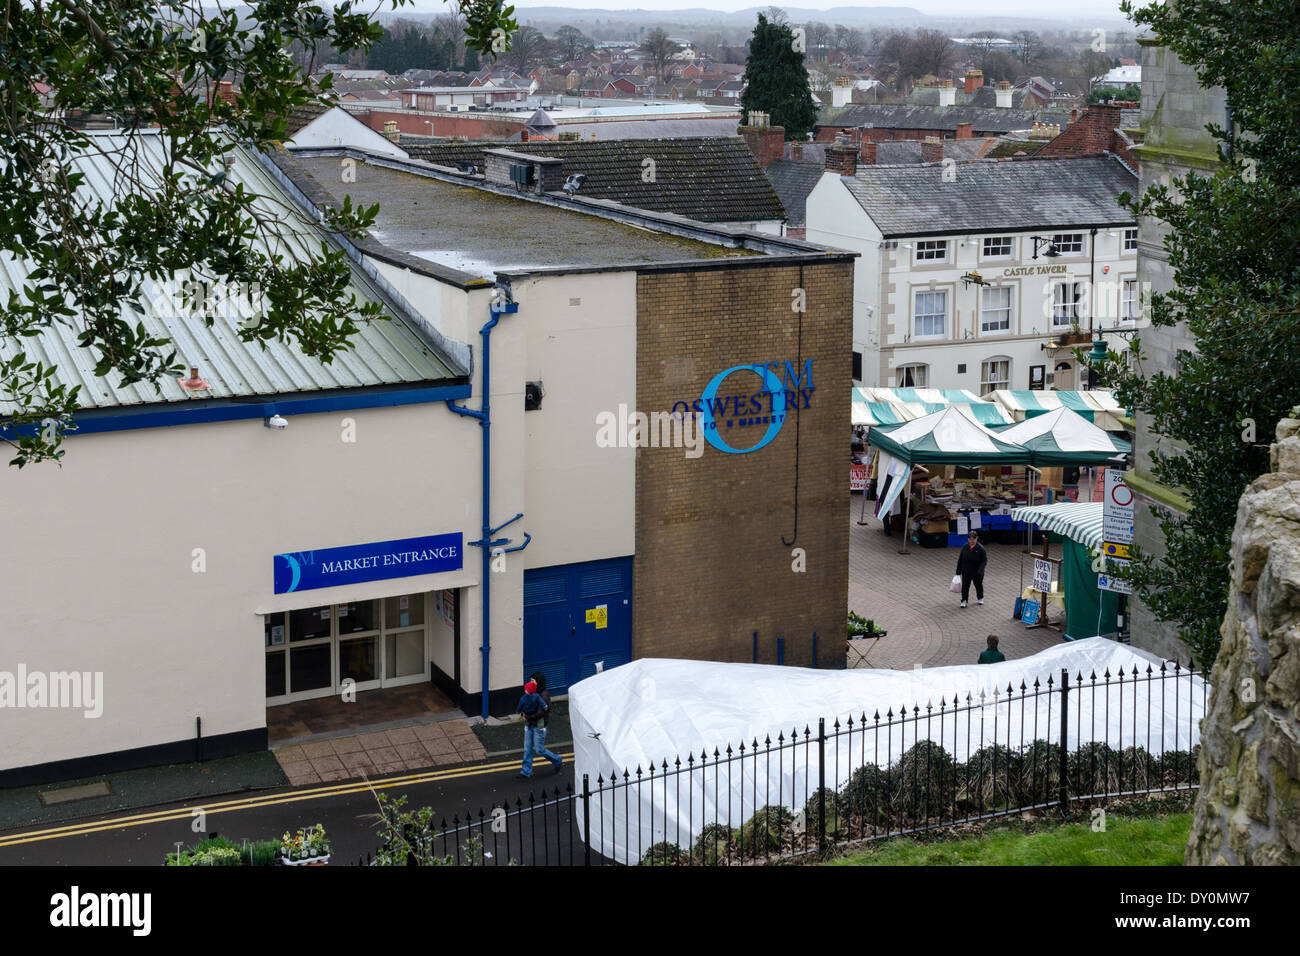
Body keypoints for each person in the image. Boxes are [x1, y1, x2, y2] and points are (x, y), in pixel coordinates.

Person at [517, 678, 563, 778]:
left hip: (538, 726)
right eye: (531, 680)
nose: (532, 682)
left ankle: (557, 759)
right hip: (529, 725)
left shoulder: (543, 696)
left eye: (534, 680)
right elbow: (522, 707)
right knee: (527, 749)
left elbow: (541, 713)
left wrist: (527, 716)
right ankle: (526, 771)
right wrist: (522, 712)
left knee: (539, 750)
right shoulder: (528, 695)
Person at [955, 530, 987, 608]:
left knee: (978, 585)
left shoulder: (981, 549)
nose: (972, 541)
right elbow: (960, 559)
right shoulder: (965, 547)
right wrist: (958, 570)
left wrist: (980, 571)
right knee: (965, 586)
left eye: (973, 539)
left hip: (977, 572)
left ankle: (980, 597)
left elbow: (984, 561)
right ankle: (964, 600)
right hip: (966, 571)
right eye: (970, 539)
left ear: (977, 538)